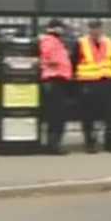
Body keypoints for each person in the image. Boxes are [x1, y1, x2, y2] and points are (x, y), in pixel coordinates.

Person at [73, 19, 111, 154]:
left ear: (101, 29)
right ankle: (90, 143)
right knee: (88, 115)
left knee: (110, 114)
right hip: (88, 83)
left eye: (97, 28)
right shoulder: (81, 43)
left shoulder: (110, 42)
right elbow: (74, 61)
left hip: (106, 82)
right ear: (89, 29)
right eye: (92, 28)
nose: (95, 31)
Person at [38, 18, 73, 155]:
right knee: (56, 115)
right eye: (61, 28)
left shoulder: (56, 41)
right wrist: (58, 62)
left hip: (59, 81)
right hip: (54, 80)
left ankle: (54, 143)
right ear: (55, 28)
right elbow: (49, 59)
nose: (63, 30)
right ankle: (53, 145)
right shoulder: (49, 40)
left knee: (57, 115)